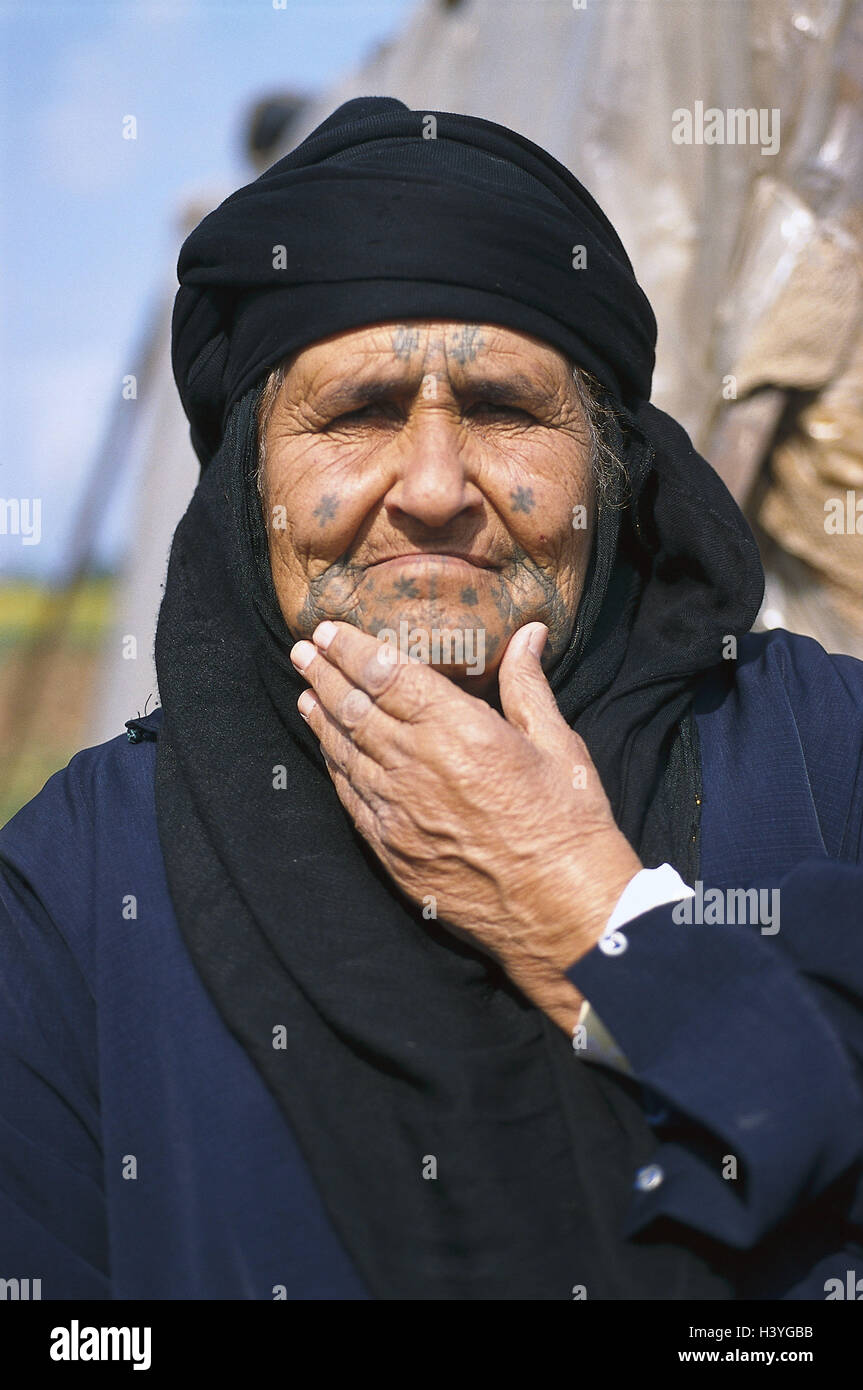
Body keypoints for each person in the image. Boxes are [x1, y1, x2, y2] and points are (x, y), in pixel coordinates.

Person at [1, 97, 862, 1302]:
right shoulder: (80, 884)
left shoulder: (825, 752)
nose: (434, 487)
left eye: (504, 409)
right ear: (249, 481)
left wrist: (589, 916)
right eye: (358, 413)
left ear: (610, 466)